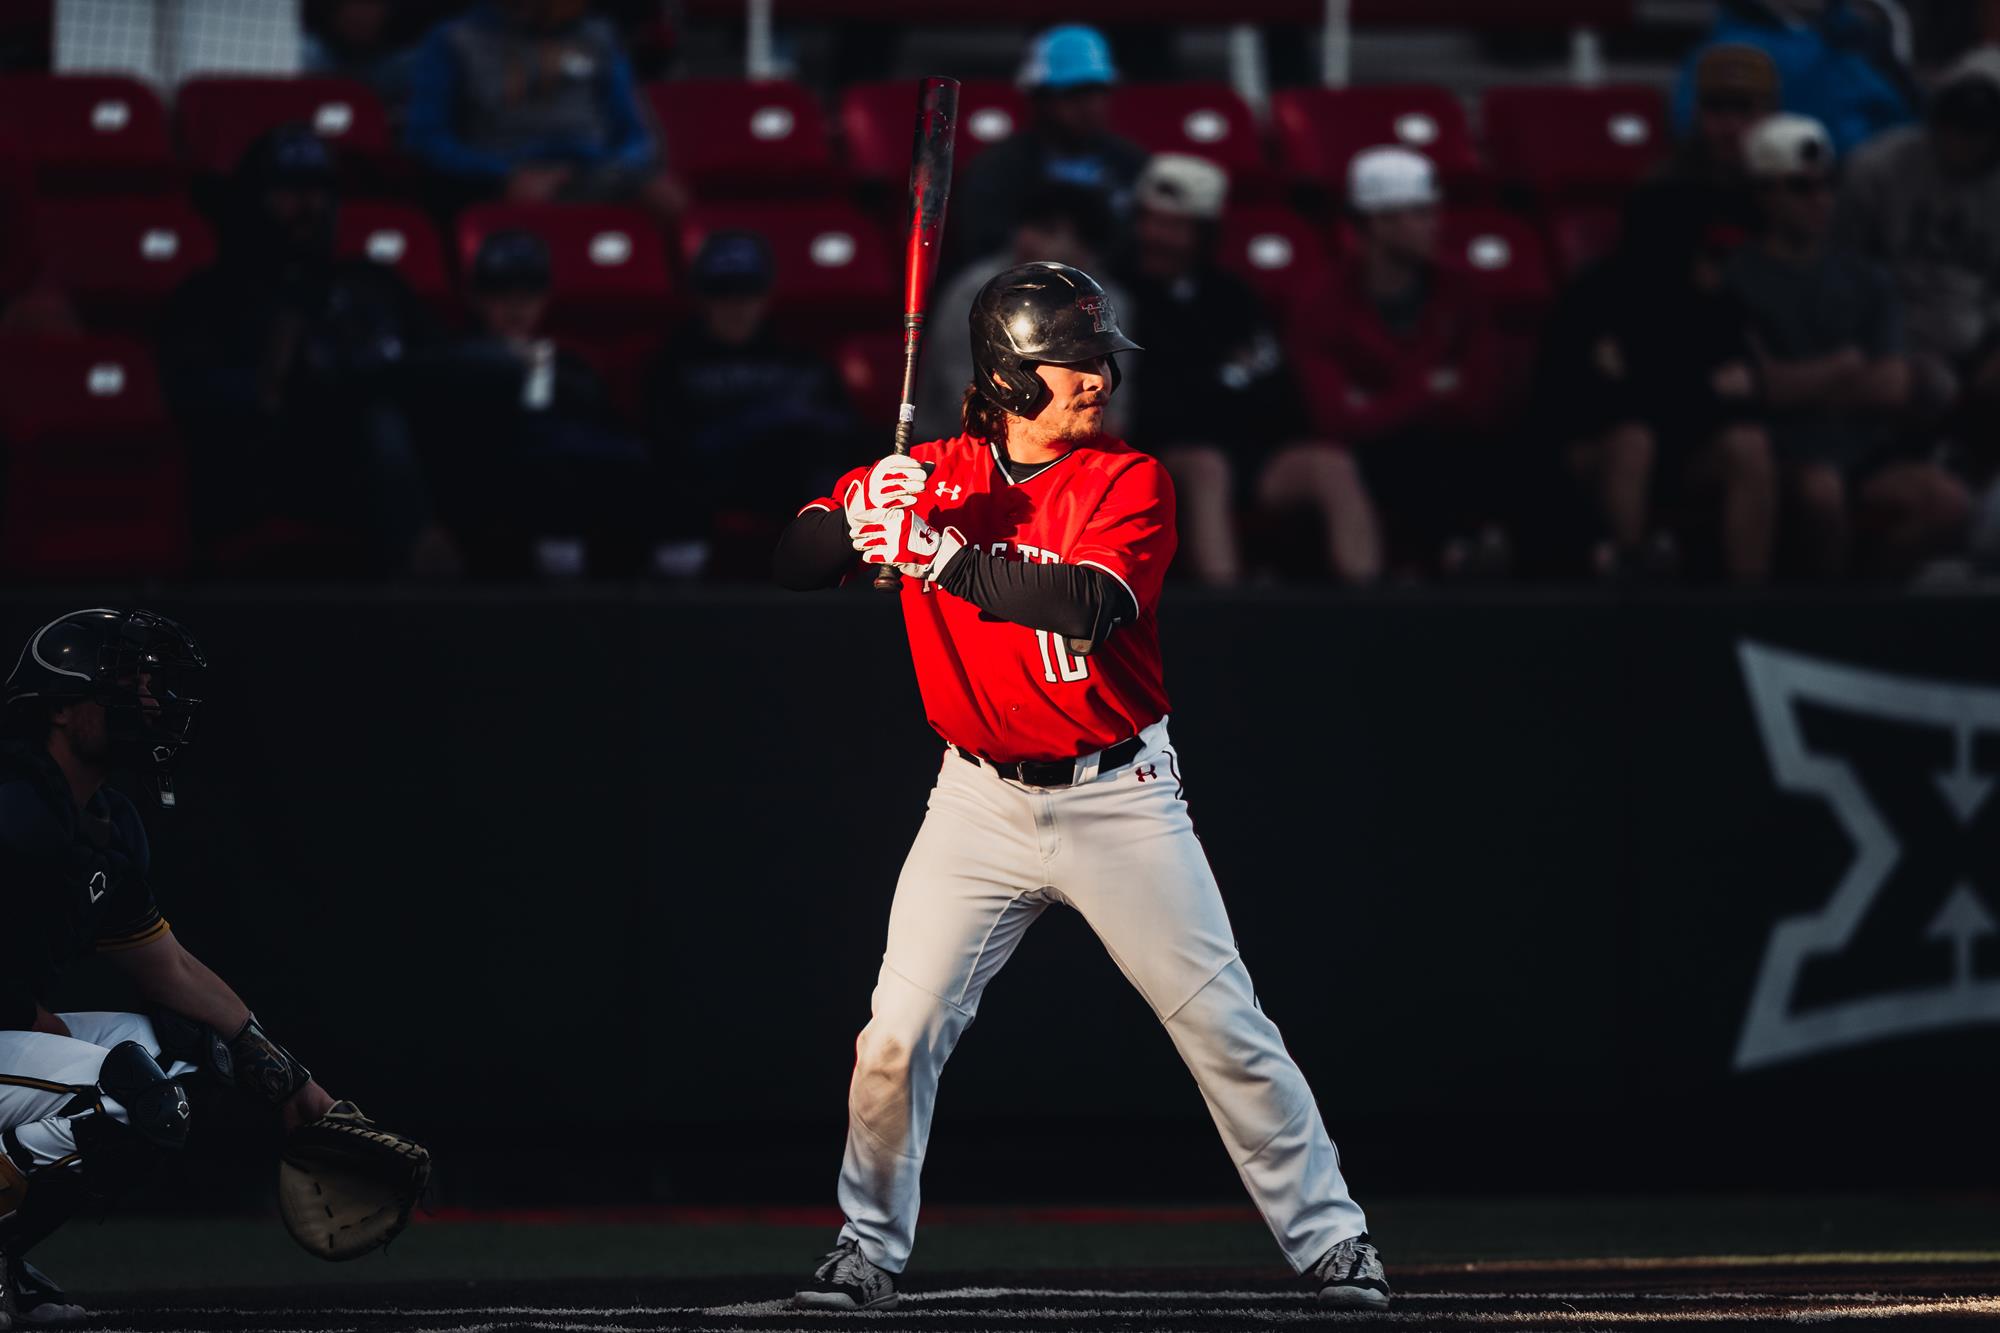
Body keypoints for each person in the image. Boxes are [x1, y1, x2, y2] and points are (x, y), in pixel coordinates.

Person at [772, 262, 1389, 1314]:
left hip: (1119, 794)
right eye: (1069, 361)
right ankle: (863, 1248)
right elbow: (790, 562)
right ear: (1009, 376)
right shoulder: (928, 469)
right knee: (893, 1039)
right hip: (973, 802)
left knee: (1222, 1026)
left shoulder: (1127, 479)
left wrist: (933, 554)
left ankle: (1334, 1241)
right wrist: (856, 518)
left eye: (1099, 357)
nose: (1096, 376)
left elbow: (1085, 604)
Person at [0, 611, 343, 1324]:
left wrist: (287, 1074)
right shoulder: (15, 805)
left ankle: (5, 1268)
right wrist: (32, 1018)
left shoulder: (103, 821)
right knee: (131, 1088)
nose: (149, 701)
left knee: (184, 1055)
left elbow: (172, 969)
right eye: (128, 682)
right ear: (62, 706)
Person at [158, 125, 446, 576]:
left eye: (320, 190)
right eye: (290, 191)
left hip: (401, 459)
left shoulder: (372, 282)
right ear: (255, 199)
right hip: (276, 467)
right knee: (377, 422)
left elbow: (437, 364)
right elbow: (188, 396)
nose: (309, 206)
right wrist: (271, 381)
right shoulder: (212, 295)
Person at [1729, 112, 1968, 577]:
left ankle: (1870, 604)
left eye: (1827, 185)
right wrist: (1842, 366)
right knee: (1820, 493)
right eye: (1801, 188)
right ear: (1763, 194)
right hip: (1784, 453)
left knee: (1949, 503)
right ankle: (1818, 620)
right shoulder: (1737, 279)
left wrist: (1795, 382)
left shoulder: (1865, 278)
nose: (1820, 199)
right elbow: (1753, 388)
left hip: (1862, 451)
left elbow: (1891, 386)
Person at [1533, 180, 1775, 582]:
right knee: (1634, 441)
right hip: (1594, 448)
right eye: (1707, 252)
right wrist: (1695, 391)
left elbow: (1745, 393)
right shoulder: (1595, 296)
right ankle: (1630, 588)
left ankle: (1749, 605)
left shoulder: (1717, 303)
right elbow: (1590, 403)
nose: (1715, 265)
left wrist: (1671, 390)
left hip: (1685, 442)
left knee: (1748, 446)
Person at [1286, 148, 1502, 582]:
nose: (1433, 224)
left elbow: (1486, 399)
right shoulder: (1322, 301)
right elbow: (1334, 419)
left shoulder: (1460, 292)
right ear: (1378, 222)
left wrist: (1382, 400)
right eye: (1418, 213)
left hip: (1453, 450)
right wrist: (1432, 387)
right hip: (1372, 460)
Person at [407, 229, 653, 578]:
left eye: (529, 292)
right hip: (484, 522)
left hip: (570, 513)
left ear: (545, 297)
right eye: (501, 292)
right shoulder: (446, 365)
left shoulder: (571, 367)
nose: (516, 305)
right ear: (476, 298)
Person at [1116, 153, 1306, 586]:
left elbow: (1279, 395)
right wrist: (1223, 382)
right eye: (1148, 221)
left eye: (1172, 226)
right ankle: (1229, 614)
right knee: (1207, 467)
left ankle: (1370, 619)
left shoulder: (1232, 296)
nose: (1154, 236)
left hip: (1245, 450)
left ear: (1203, 234)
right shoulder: (1119, 293)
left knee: (1330, 467)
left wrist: (1209, 389)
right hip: (1155, 456)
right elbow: (1150, 406)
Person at [646, 231, 859, 578]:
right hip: (703, 484)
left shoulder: (799, 357)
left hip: (786, 482)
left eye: (747, 292)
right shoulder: (673, 362)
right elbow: (663, 443)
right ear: (701, 297)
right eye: (722, 292)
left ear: (765, 295)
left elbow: (841, 429)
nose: (736, 306)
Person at [1837, 48, 2000, 424]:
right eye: (1955, 125)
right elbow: (1842, 270)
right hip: (1894, 339)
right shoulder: (1878, 169)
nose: (1962, 141)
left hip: (1977, 337)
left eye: (1978, 131)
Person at [403, 0, 682, 221]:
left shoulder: (598, 37)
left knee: (666, 198)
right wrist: (502, 175)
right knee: (527, 201)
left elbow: (635, 134)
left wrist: (622, 172)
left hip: (592, 172)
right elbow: (427, 139)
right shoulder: (453, 41)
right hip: (501, 176)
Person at [916, 183, 1134, 444]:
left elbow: (1116, 410)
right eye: (1035, 227)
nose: (1031, 239)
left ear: (1086, 250)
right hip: (965, 441)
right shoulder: (977, 289)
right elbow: (964, 393)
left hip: (1072, 446)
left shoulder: (1106, 300)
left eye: (1052, 232)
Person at [949, 25, 1148, 269]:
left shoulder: (1130, 164)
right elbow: (982, 245)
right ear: (1040, 99)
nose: (1091, 106)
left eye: (1099, 92)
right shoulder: (997, 169)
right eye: (1075, 93)